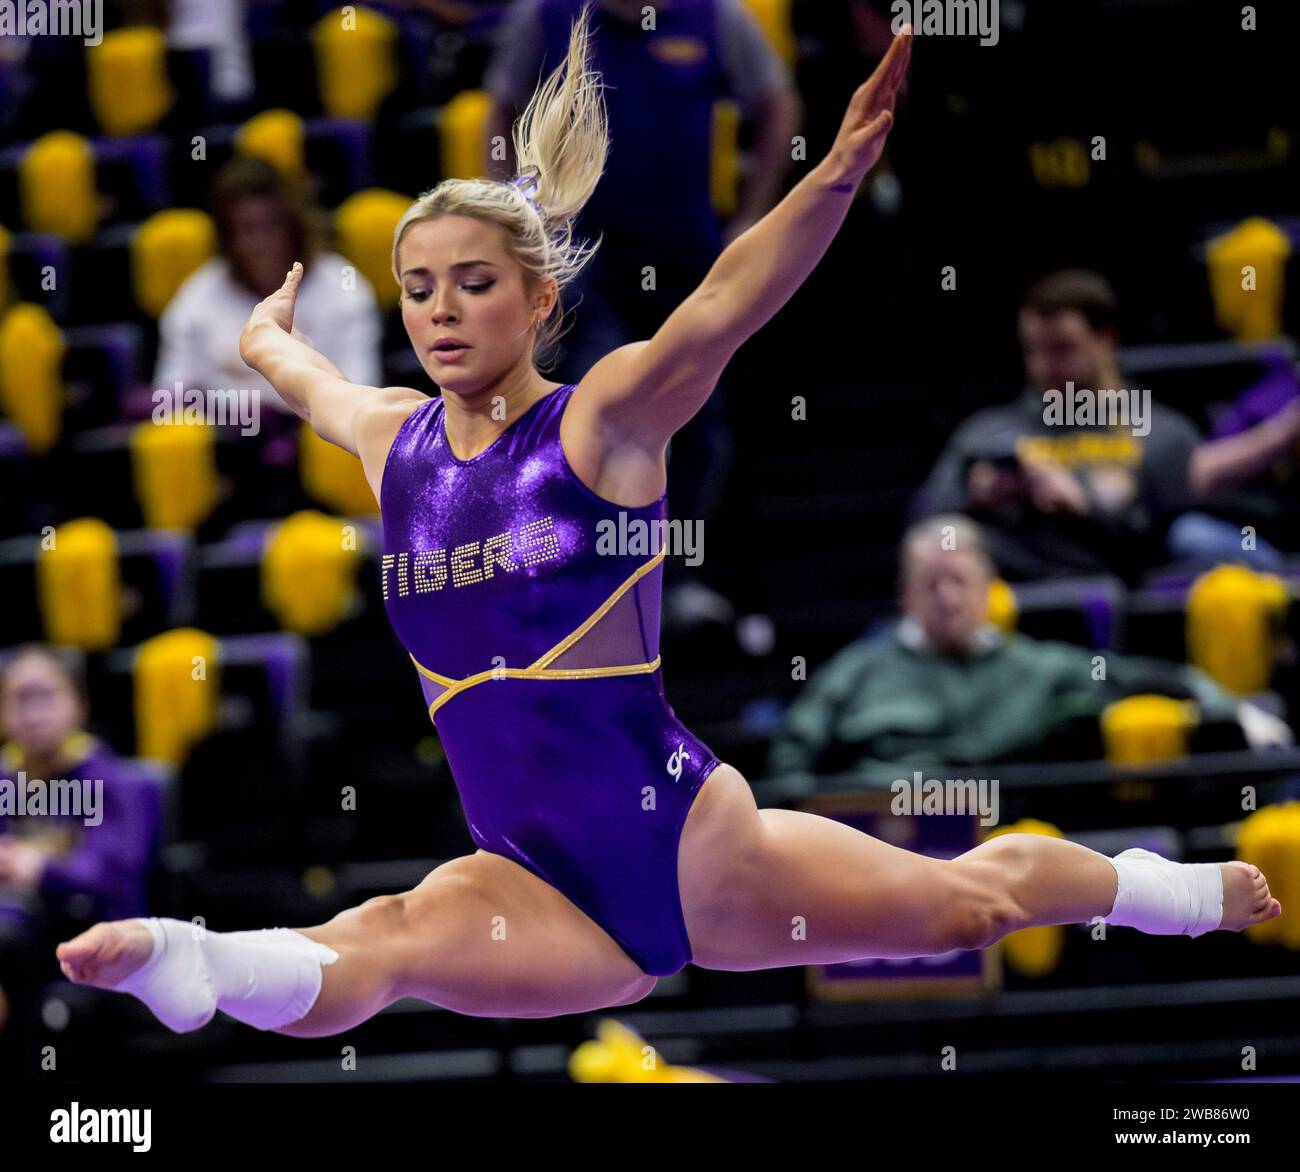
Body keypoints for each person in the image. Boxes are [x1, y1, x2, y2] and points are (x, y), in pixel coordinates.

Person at [54, 18, 1278, 1042]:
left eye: (473, 282)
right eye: (417, 285)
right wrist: (264, 337)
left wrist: (835, 174)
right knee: (388, 940)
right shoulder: (394, 440)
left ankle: (1172, 888)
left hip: (688, 841)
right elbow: (305, 378)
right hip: (529, 875)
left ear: (539, 298)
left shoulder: (603, 427)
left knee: (968, 905)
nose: (438, 311)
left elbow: (720, 310)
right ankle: (194, 957)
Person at [484, 0, 801, 633]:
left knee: (700, 422)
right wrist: (507, 219)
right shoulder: (545, 18)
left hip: (686, 254)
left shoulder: (716, 19)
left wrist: (753, 214)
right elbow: (501, 108)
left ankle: (670, 581)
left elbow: (778, 103)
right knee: (594, 408)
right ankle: (588, 580)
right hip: (580, 255)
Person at [767, 514, 1294, 786]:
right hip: (882, 831)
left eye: (957, 581)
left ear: (988, 587)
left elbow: (1143, 677)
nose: (946, 598)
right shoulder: (860, 669)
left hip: (999, 836)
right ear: (904, 596)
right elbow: (793, 751)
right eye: (929, 584)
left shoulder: (1036, 666)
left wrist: (1235, 709)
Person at [911, 271, 1212, 582]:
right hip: (998, 606)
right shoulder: (986, 432)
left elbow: (1176, 549)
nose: (1044, 366)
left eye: (1062, 349)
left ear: (1105, 340)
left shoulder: (1162, 434)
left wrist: (1081, 505)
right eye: (1033, 350)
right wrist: (973, 497)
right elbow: (922, 528)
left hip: (1115, 599)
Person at [0, 646, 160, 1077]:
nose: (33, 713)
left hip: (91, 927)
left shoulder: (106, 778)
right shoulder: (5, 777)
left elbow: (113, 874)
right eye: (19, 699)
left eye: (46, 696)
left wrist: (41, 868)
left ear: (79, 703)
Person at [153, 157, 383, 434]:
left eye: (272, 225)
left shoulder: (343, 287)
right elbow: (170, 399)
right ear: (228, 238)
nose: (263, 242)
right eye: (248, 229)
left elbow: (362, 389)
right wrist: (251, 416)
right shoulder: (197, 297)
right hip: (228, 447)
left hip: (320, 440)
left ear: (294, 226)